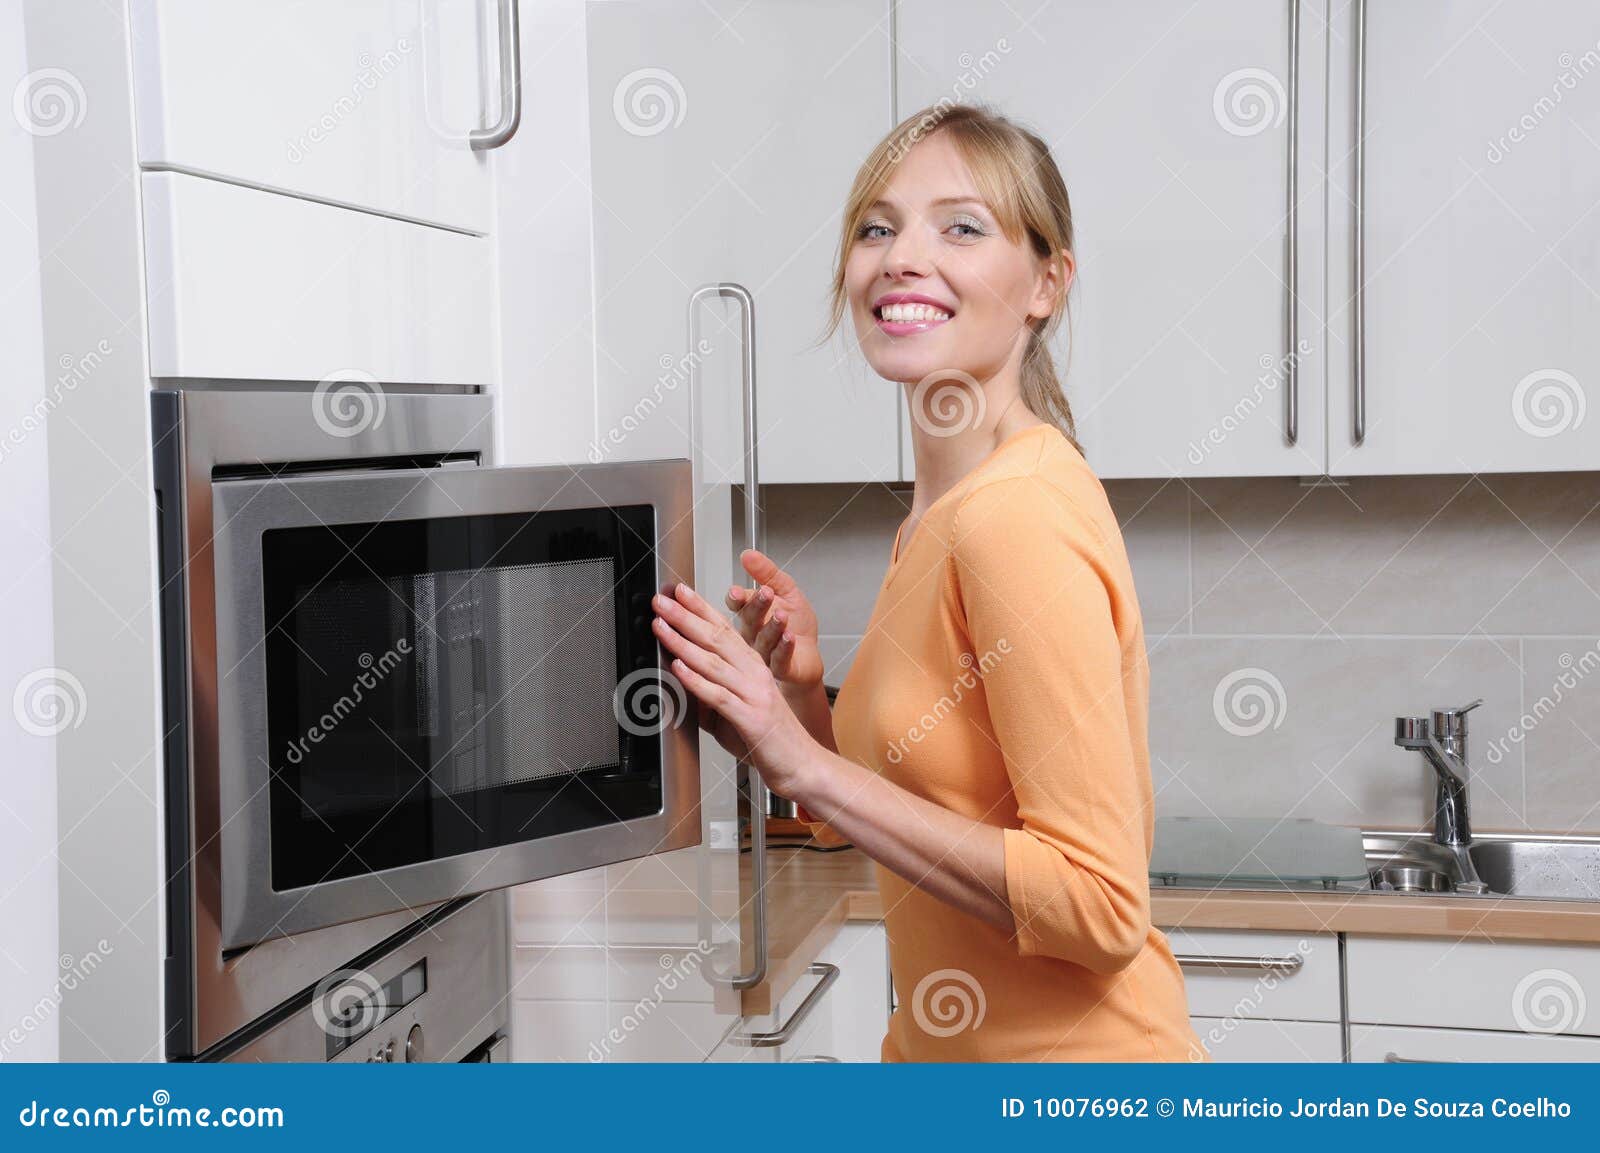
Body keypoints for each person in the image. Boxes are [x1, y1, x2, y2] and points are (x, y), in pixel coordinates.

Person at [650, 103, 1203, 1062]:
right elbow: (894, 819)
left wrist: (802, 760)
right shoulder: (938, 516)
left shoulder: (1011, 517)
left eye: (961, 226)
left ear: (1046, 282)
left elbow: (1102, 906)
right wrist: (801, 706)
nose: (902, 256)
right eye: (877, 226)